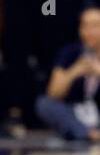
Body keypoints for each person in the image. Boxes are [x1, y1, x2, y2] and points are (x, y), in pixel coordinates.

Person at [35, 8, 100, 142]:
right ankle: (88, 134)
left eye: (95, 26)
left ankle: (79, 133)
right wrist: (74, 71)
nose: (89, 31)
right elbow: (53, 93)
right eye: (84, 26)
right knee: (44, 104)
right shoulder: (70, 52)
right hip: (77, 111)